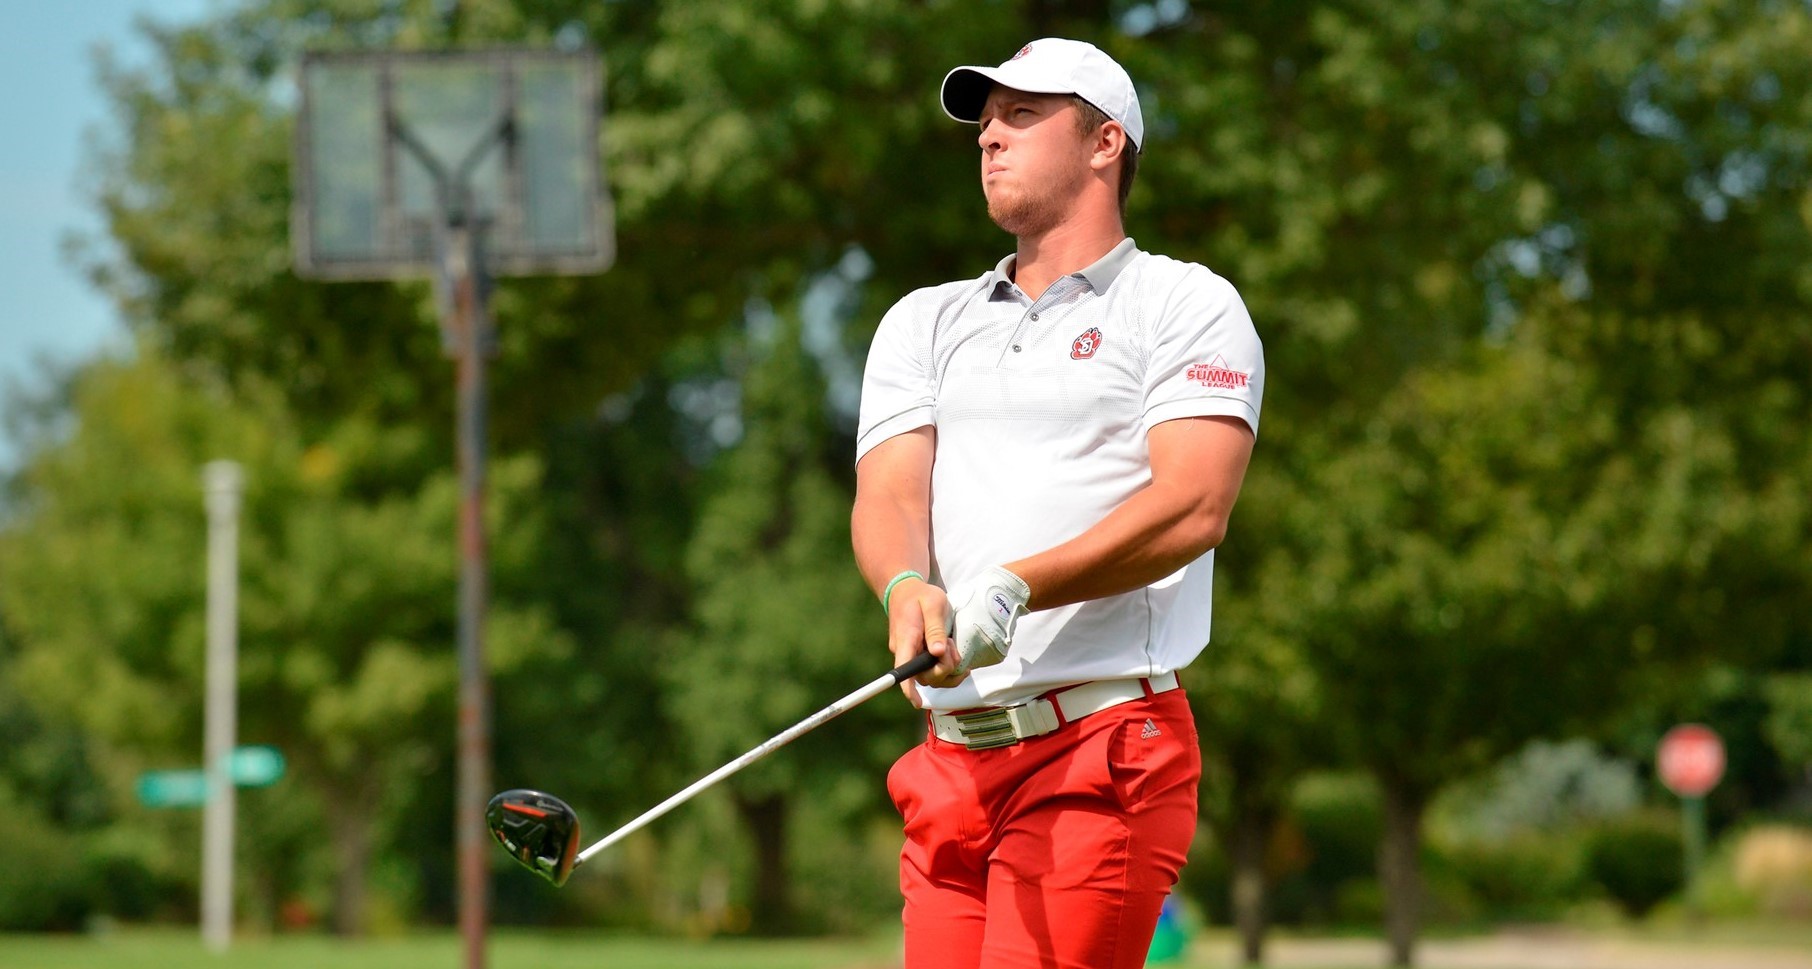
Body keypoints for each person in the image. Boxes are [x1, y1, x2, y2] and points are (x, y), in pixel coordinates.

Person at [850, 37, 1264, 969]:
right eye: (985, 119)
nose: (990, 136)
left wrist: (1016, 585)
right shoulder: (923, 320)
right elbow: (886, 493)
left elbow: (1194, 505)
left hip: (1099, 753)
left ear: (1104, 141)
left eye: (1022, 114)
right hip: (951, 761)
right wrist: (906, 585)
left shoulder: (1182, 304)